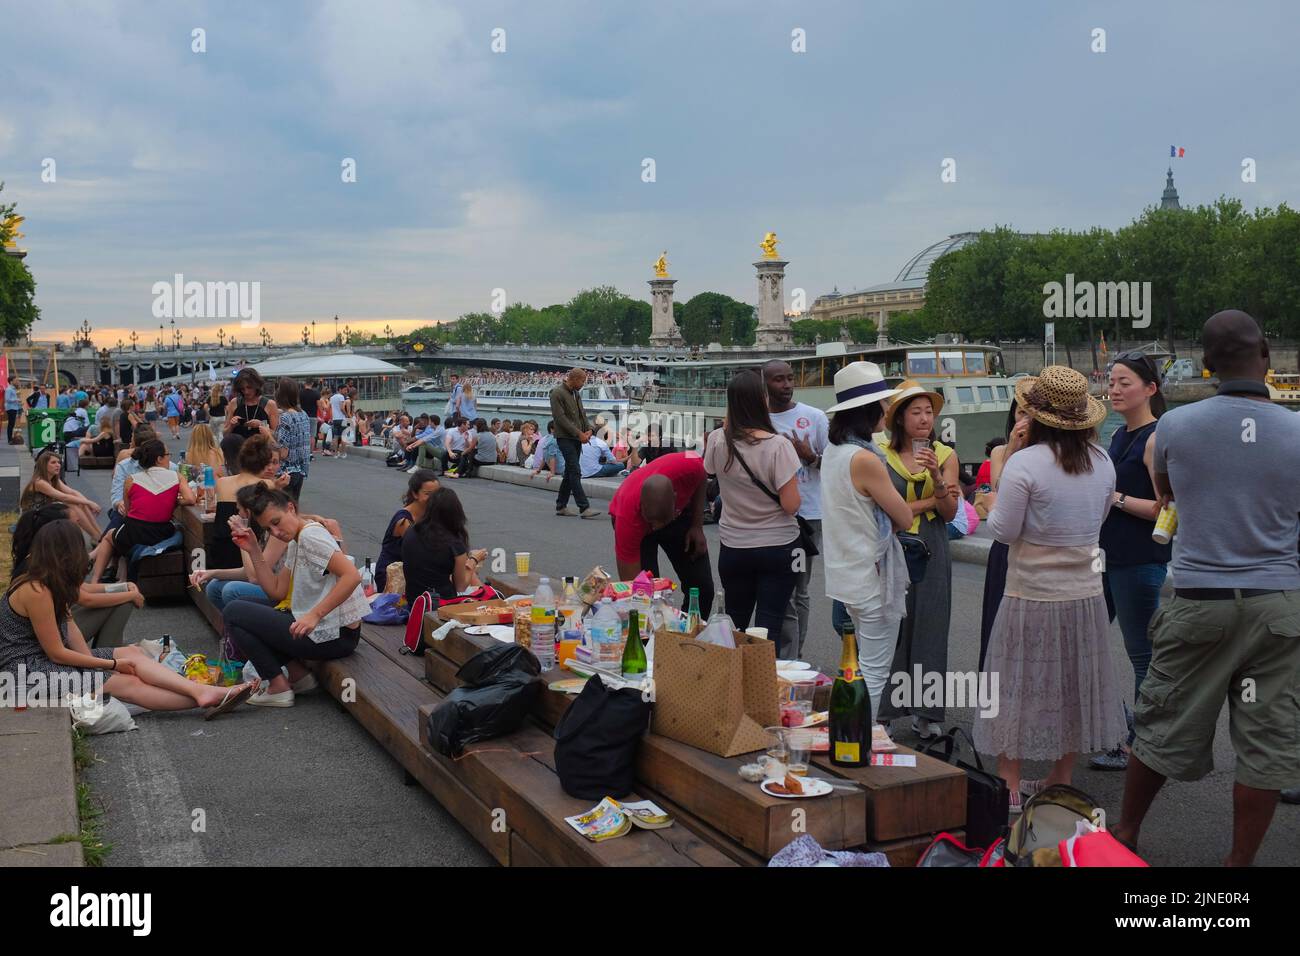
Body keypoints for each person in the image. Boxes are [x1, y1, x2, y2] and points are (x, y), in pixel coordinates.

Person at [1111, 311, 1300, 865]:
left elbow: (1167, 497)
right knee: (1265, 742)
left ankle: (1125, 833)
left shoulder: (1176, 426)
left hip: (1199, 598)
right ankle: (1237, 869)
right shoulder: (1296, 430)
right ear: (1265, 353)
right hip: (1277, 606)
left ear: (1208, 363)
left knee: (1161, 719)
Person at [974, 366, 1124, 814]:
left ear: (1035, 416)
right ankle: (1061, 779)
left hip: (1030, 593)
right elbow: (1097, 522)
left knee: (1015, 685)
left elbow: (1002, 530)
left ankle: (1011, 781)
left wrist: (997, 484)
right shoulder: (1102, 462)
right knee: (1074, 684)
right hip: (1084, 594)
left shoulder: (1026, 462)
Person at [0, 520, 253, 717]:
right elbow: (56, 653)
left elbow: (71, 630)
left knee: (133, 655)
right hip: (24, 675)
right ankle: (210, 696)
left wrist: (95, 662)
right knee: (124, 681)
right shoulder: (36, 590)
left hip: (40, 664)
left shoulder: (51, 581)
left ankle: (204, 692)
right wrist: (109, 666)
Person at [1090, 351, 1172, 772]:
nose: (1114, 389)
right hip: (1107, 555)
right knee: (1087, 641)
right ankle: (1121, 721)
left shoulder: (1156, 438)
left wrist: (1114, 499)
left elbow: (1166, 509)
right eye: (1111, 380)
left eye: (1124, 382)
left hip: (1139, 558)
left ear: (1150, 389)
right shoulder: (1120, 435)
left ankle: (1137, 745)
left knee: (1142, 654)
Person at [819, 363, 914, 720]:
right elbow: (903, 517)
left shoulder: (835, 452)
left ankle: (846, 734)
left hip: (847, 573)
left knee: (854, 666)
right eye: (884, 403)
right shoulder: (865, 459)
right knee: (873, 671)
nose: (888, 410)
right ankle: (857, 740)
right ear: (869, 409)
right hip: (875, 577)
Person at [224, 485, 369, 707]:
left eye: (276, 522)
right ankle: (296, 677)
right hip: (328, 631)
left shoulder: (311, 535)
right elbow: (276, 591)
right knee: (241, 609)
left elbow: (351, 576)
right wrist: (253, 549)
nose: (276, 532)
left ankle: (279, 686)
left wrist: (314, 615)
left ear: (291, 508)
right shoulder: (298, 537)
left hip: (335, 636)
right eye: (269, 529)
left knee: (234, 611)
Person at [875, 381, 959, 740]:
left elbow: (951, 511)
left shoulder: (945, 455)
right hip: (893, 544)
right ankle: (884, 711)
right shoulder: (880, 454)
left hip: (932, 544)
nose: (925, 418)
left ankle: (926, 712)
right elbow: (883, 510)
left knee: (931, 624)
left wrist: (937, 479)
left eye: (929, 412)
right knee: (890, 624)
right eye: (916, 412)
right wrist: (928, 504)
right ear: (899, 419)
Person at [701, 369, 801, 650]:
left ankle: (734, 684)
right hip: (780, 546)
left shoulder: (719, 440)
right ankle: (762, 684)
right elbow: (791, 505)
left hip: (734, 545)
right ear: (763, 400)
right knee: (769, 625)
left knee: (736, 622)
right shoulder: (778, 445)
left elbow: (709, 472)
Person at [763, 360, 830, 659]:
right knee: (772, 590)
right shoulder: (758, 421)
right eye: (779, 380)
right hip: (768, 518)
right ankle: (776, 651)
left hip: (807, 520)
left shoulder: (814, 418)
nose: (787, 384)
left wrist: (811, 457)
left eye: (790, 379)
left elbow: (837, 468)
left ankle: (793, 655)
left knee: (798, 590)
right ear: (765, 384)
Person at [11, 504, 144, 649]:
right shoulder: (42, 566)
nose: (80, 530)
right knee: (124, 601)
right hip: (43, 645)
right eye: (76, 523)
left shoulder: (43, 556)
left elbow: (84, 588)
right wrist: (130, 595)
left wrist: (123, 586)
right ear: (60, 528)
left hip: (51, 633)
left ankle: (112, 652)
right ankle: (110, 654)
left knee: (123, 594)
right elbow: (86, 599)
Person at [88, 438, 197, 584]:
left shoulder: (131, 479)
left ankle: (95, 581)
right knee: (177, 531)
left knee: (110, 536)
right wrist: (176, 501)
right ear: (159, 459)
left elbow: (128, 512)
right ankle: (125, 575)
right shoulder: (176, 476)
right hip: (160, 532)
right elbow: (190, 499)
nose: (169, 457)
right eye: (167, 454)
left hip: (134, 531)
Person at [978, 403, 1029, 670]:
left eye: (1032, 412)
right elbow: (999, 487)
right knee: (997, 619)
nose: (1026, 419)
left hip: (1032, 547)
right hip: (1006, 544)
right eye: (1021, 412)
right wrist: (1012, 447)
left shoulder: (1047, 454)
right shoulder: (1000, 451)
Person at [401, 487, 487, 604]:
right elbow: (461, 586)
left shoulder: (411, 531)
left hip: (414, 602)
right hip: (441, 604)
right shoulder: (454, 542)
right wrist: (474, 560)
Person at [376, 470, 441, 592]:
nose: (434, 498)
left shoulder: (431, 514)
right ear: (415, 494)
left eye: (437, 493)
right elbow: (423, 553)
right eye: (428, 494)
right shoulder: (404, 521)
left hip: (412, 570)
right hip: (393, 576)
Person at [549, 368, 600, 518]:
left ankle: (561, 506)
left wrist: (589, 429)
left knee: (570, 472)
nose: (583, 384)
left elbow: (581, 415)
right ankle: (584, 507)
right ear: (575, 378)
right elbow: (560, 419)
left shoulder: (575, 393)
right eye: (582, 381)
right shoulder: (557, 393)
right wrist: (579, 433)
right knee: (575, 470)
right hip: (565, 437)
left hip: (576, 437)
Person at [20, 450, 102, 540]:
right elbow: (64, 497)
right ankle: (96, 537)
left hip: (45, 509)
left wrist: (87, 502)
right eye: (53, 462)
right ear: (44, 465)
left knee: (81, 503)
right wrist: (89, 503)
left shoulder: (54, 479)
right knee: (72, 506)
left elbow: (72, 492)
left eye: (59, 462)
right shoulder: (39, 482)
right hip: (34, 515)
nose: (58, 465)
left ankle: (99, 535)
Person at [272, 377, 312, 500]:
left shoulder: (285, 417)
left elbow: (283, 453)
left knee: (282, 510)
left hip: (285, 473)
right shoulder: (303, 414)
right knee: (293, 509)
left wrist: (268, 435)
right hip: (300, 471)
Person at [226, 367, 280, 441]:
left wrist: (261, 425)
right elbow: (225, 434)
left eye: (249, 387)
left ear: (256, 385)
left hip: (261, 451)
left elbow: (277, 436)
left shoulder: (270, 404)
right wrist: (231, 426)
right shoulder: (234, 403)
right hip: (238, 450)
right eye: (242, 389)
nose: (246, 392)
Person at [324, 383, 349, 458]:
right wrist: (346, 414)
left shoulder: (332, 397)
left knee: (335, 437)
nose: (346, 391)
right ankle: (343, 453)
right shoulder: (341, 396)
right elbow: (341, 408)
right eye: (344, 390)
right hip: (342, 419)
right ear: (340, 389)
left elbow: (328, 408)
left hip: (335, 419)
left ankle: (336, 453)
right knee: (343, 436)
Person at [6, 378, 23, 444]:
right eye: (15, 380)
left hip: (14, 407)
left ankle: (10, 438)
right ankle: (9, 440)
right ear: (11, 381)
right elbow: (7, 399)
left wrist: (18, 402)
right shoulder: (9, 389)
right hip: (11, 408)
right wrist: (16, 400)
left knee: (12, 424)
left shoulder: (13, 389)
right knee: (10, 424)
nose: (16, 381)